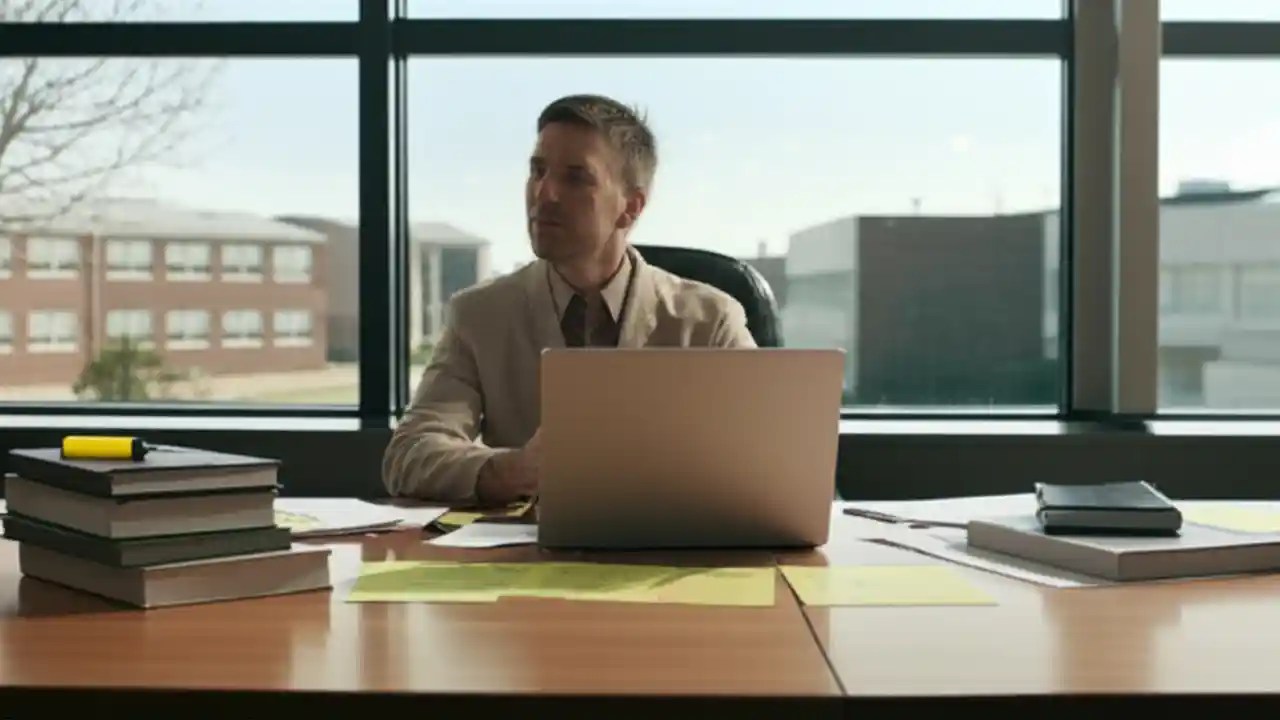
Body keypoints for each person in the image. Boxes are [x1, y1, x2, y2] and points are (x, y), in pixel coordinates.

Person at [382, 93, 756, 506]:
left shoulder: (710, 320)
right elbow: (408, 454)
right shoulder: (479, 315)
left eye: (576, 177)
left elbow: (768, 458)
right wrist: (511, 469)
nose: (545, 194)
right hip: (523, 562)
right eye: (538, 171)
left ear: (630, 208)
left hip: (673, 556)